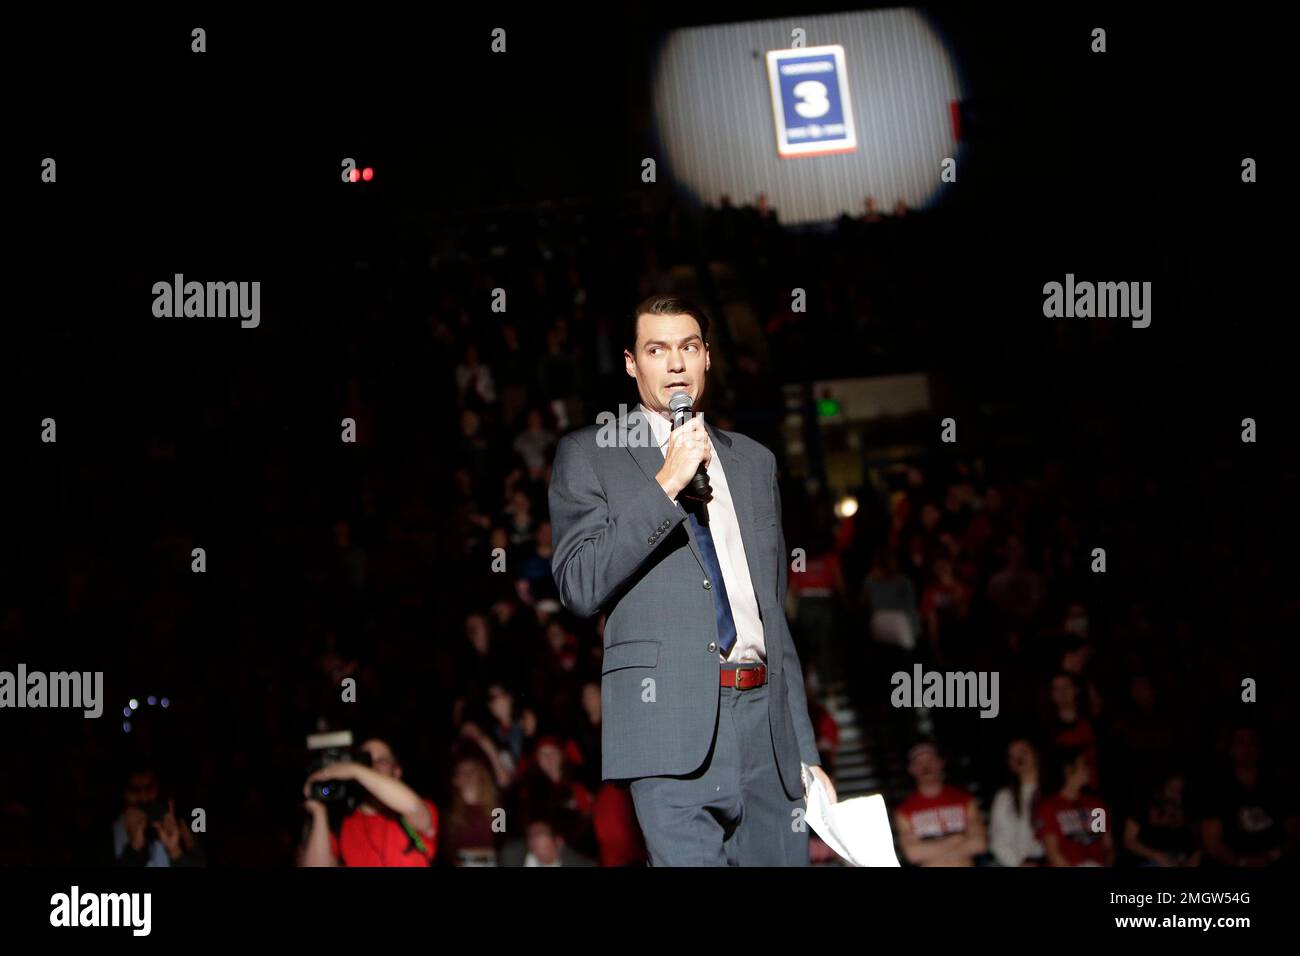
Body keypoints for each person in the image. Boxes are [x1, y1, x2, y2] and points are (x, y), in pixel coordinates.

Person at [548, 294, 835, 866]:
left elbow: (771, 617)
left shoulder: (754, 462)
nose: (675, 363)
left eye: (688, 347)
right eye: (657, 349)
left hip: (766, 734)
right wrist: (665, 485)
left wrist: (805, 751)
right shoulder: (588, 454)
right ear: (632, 363)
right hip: (667, 728)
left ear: (706, 358)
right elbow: (578, 584)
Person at [299, 737, 438, 867]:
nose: (372, 766)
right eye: (365, 760)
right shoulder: (344, 822)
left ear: (397, 772)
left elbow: (413, 807)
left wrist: (354, 770)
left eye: (382, 761)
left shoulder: (416, 808)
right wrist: (319, 810)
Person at [893, 742, 986, 867]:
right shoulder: (904, 810)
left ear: (941, 763)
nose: (926, 766)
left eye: (930, 760)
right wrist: (957, 839)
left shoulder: (964, 800)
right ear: (911, 769)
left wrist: (930, 850)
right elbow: (913, 854)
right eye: (919, 762)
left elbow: (979, 845)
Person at [111, 765, 205, 867]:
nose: (143, 797)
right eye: (134, 790)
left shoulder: (175, 821)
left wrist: (174, 852)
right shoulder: (109, 830)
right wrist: (135, 847)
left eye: (149, 788)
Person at [1038, 746, 1114, 866]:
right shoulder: (1050, 807)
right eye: (1084, 765)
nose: (1088, 769)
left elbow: (1108, 846)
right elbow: (1053, 853)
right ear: (1068, 770)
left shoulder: (1096, 804)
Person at [988, 737, 1045, 866]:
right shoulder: (1004, 797)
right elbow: (997, 841)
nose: (1018, 758)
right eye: (1012, 756)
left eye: (1023, 752)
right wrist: (1017, 863)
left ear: (1035, 754)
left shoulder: (1055, 791)